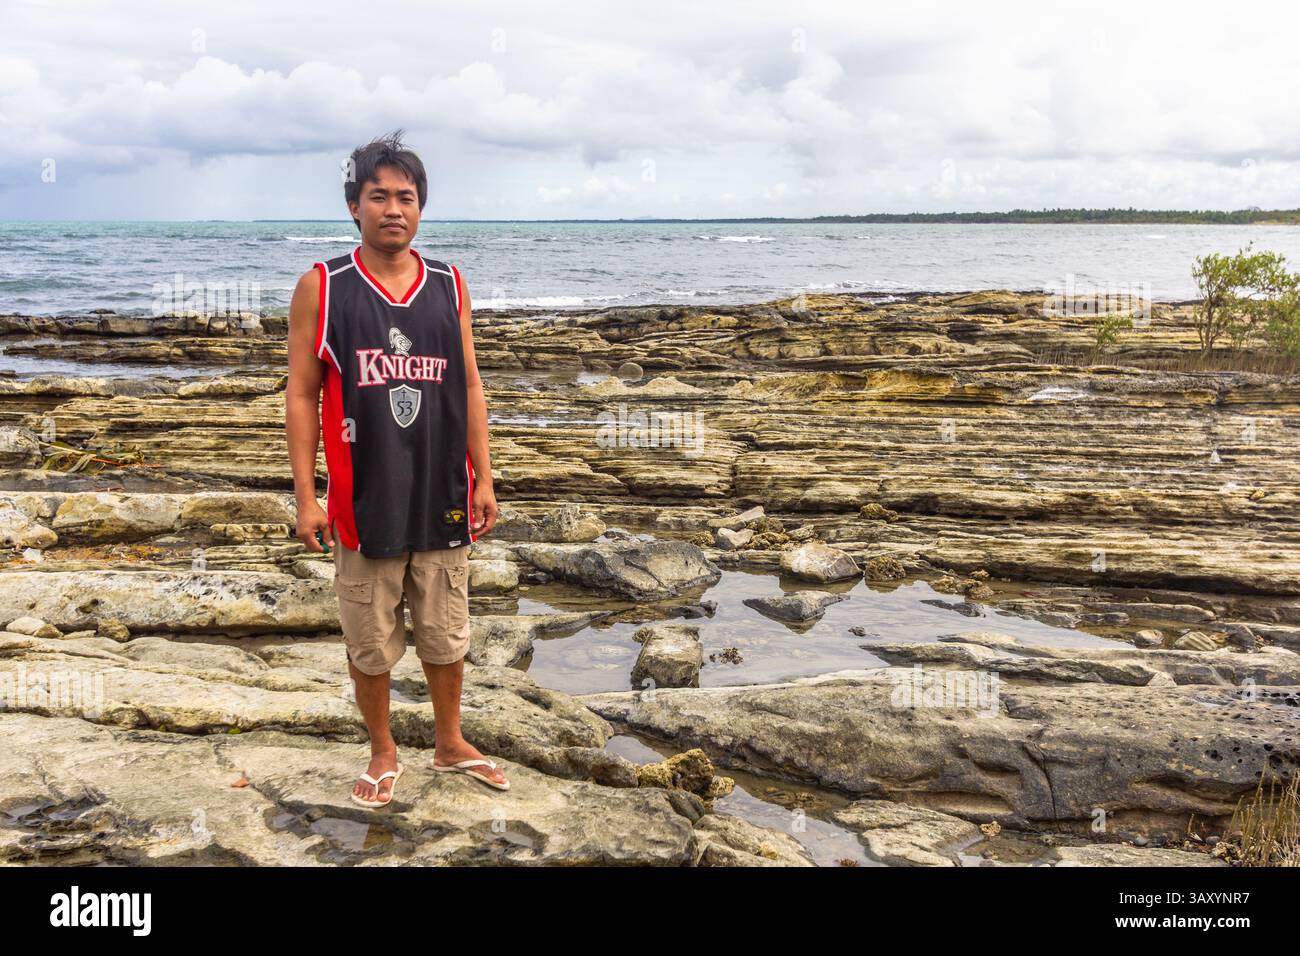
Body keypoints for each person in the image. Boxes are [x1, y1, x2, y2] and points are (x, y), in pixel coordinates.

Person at [284, 130, 507, 807]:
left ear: (420, 208)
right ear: (354, 206)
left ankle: (448, 742)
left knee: (446, 631)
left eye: (405, 197)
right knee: (372, 641)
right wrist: (307, 496)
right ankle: (383, 750)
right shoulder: (323, 286)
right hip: (363, 498)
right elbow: (300, 394)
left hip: (442, 491)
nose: (392, 208)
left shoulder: (449, 283)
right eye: (377, 195)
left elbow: (468, 383)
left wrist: (485, 476)